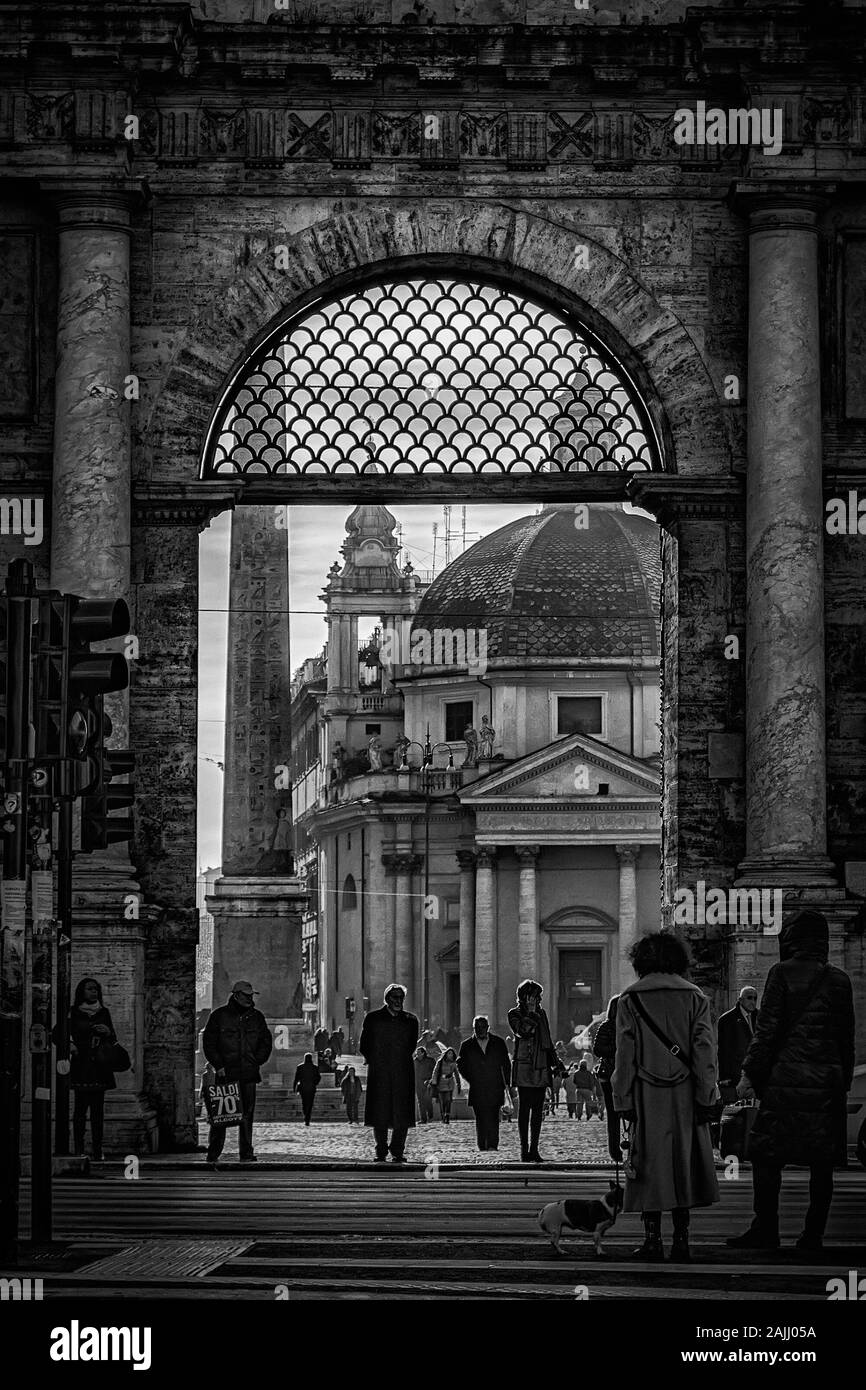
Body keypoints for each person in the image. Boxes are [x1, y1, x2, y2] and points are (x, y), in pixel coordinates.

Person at [727, 911, 856, 1254]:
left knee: (766, 1157)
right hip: (827, 1084)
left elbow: (767, 1031)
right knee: (822, 1165)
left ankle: (766, 1228)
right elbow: (847, 1038)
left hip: (785, 1082)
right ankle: (812, 1236)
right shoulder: (840, 980)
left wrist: (749, 1074)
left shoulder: (781, 973)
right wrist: (843, 1081)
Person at [613, 933, 720, 1261]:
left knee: (649, 1167)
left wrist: (622, 1099)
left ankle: (652, 1240)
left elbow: (625, 1055)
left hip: (647, 1095)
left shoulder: (630, 1000)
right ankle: (682, 1240)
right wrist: (707, 1094)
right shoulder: (695, 997)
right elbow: (705, 1051)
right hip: (686, 1095)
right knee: (683, 1165)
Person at [203, 980, 273, 1166]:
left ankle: (246, 1152)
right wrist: (219, 1065)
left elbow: (266, 1042)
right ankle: (213, 1152)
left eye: (251, 995)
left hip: (249, 1073)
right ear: (236, 995)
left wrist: (257, 1060)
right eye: (246, 995)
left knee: (247, 1115)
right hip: (226, 1074)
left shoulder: (257, 1017)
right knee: (221, 1116)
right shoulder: (219, 1016)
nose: (250, 998)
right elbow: (209, 1043)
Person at [359, 983, 419, 1163]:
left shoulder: (410, 1020)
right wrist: (377, 1060)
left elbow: (411, 1045)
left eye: (401, 998)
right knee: (380, 1112)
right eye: (395, 997)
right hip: (380, 1073)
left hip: (402, 1071)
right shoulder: (373, 1019)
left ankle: (398, 1150)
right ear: (387, 999)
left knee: (402, 1112)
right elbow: (365, 1044)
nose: (398, 1001)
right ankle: (381, 1150)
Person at [507, 979, 566, 1163]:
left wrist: (557, 1063)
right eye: (536, 996)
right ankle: (524, 1149)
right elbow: (523, 1031)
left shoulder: (542, 1013)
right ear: (526, 997)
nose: (539, 999)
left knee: (538, 1111)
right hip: (525, 1067)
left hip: (541, 1066)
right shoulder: (514, 1014)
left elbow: (547, 1041)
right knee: (525, 1109)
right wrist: (532, 1014)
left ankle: (534, 1149)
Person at [64, 978, 119, 1160]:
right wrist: (70, 1045)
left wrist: (107, 1032)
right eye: (90, 989)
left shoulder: (103, 1012)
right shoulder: (73, 1012)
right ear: (82, 991)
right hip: (81, 1065)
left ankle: (97, 1149)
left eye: (96, 989)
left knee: (97, 1112)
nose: (94, 992)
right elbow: (59, 1033)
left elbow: (113, 1039)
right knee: (80, 1110)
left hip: (99, 1066)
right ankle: (79, 1148)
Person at [457, 1016, 511, 1151]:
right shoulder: (466, 1045)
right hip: (477, 1087)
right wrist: (471, 1078)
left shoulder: (498, 1042)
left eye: (483, 1027)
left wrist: (506, 1083)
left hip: (495, 1086)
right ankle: (482, 1145)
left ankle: (492, 1144)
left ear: (488, 1028)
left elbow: (506, 1064)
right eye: (477, 1027)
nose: (480, 1030)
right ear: (474, 1028)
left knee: (494, 1117)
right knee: (480, 1117)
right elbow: (461, 1065)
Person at [717, 986, 759, 1104]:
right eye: (749, 998)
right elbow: (723, 1051)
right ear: (740, 1000)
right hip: (736, 1075)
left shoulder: (760, 1017)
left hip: (755, 1075)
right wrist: (724, 1077)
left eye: (755, 998)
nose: (753, 1001)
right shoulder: (727, 1020)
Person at [593, 994, 622, 1161]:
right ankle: (615, 1150)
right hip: (610, 1073)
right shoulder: (607, 1026)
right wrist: (619, 1050)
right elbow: (598, 1050)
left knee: (616, 1113)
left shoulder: (629, 1026)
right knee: (613, 1112)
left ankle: (622, 1148)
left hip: (618, 1073)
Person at [431, 1047, 461, 1124]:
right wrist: (434, 1082)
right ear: (446, 1054)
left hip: (449, 1084)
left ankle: (447, 1116)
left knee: (448, 1101)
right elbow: (435, 1072)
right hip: (440, 1084)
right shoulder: (440, 1062)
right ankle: (443, 1117)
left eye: (452, 1054)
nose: (450, 1055)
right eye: (449, 1053)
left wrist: (458, 1084)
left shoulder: (454, 1063)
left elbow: (457, 1074)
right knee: (442, 1102)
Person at [293, 1052, 321, 1126]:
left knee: (304, 1103)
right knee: (310, 1103)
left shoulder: (300, 1067)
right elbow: (318, 1077)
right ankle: (308, 1117)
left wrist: (294, 1087)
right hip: (311, 1087)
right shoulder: (315, 1067)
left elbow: (296, 1078)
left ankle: (306, 1116)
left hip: (303, 1087)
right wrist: (315, 1083)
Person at [413, 1045, 435, 1122]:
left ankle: (430, 1117)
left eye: (418, 1052)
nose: (417, 1054)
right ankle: (423, 1119)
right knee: (420, 1101)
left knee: (428, 1100)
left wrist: (431, 1080)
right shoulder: (414, 1061)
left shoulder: (430, 1060)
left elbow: (435, 1071)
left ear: (423, 1053)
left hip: (428, 1083)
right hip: (418, 1083)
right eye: (416, 1052)